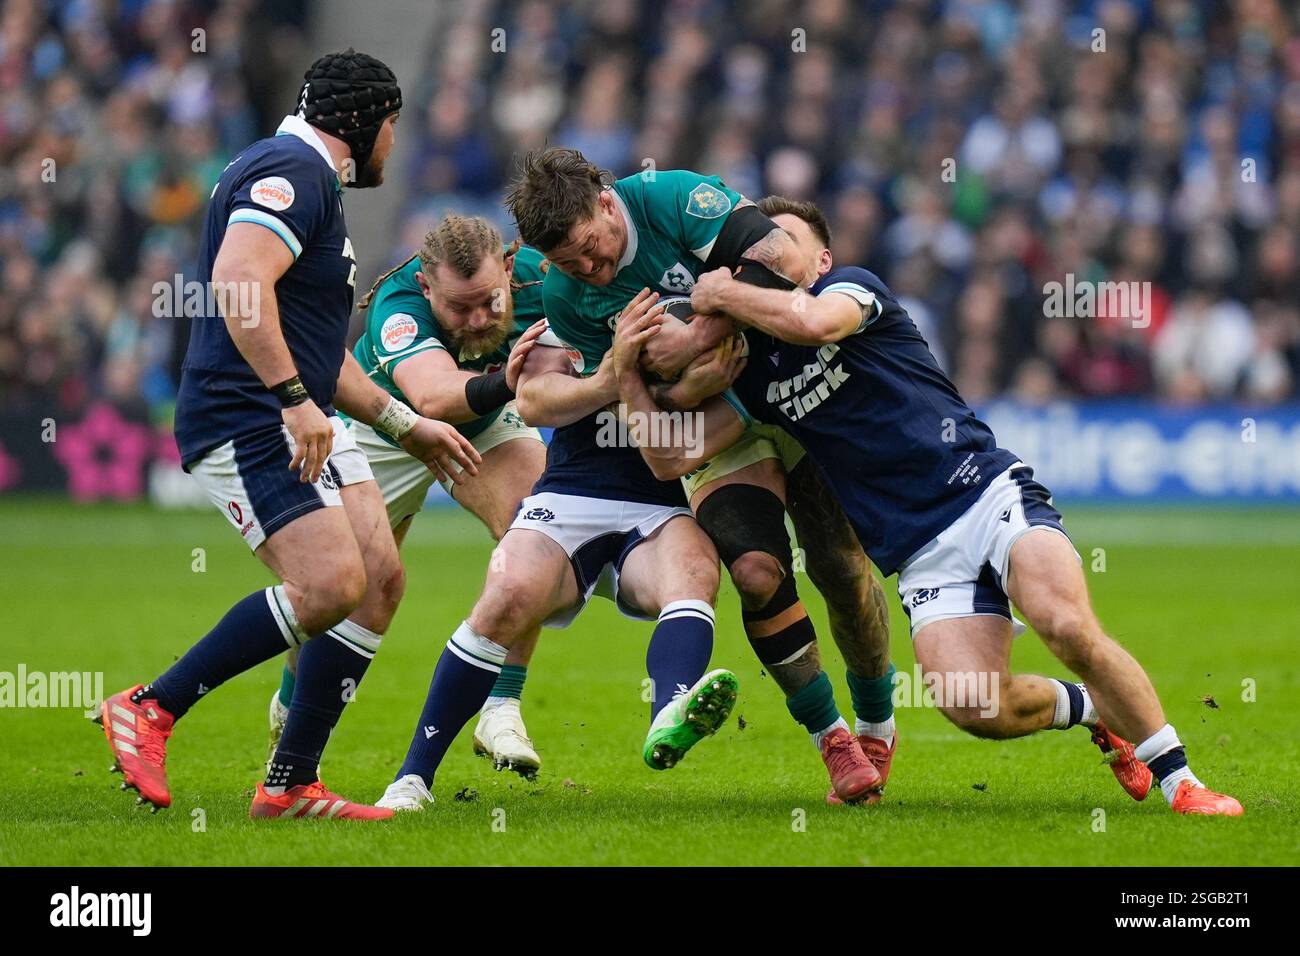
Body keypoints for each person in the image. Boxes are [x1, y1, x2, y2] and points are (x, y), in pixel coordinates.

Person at [612, 195, 1243, 817]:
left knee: (1066, 625)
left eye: (783, 242)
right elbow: (669, 459)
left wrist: (717, 295)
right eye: (756, 248)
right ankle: (1095, 709)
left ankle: (1181, 783)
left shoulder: (854, 291)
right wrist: (627, 372)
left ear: (823, 256)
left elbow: (815, 325)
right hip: (920, 555)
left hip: (985, 493)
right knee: (974, 706)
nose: (765, 255)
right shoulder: (752, 373)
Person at [96, 50, 479, 821]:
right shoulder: (292, 171)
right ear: (363, 121)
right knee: (332, 585)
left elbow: (315, 348)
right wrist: (293, 399)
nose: (395, 143)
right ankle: (151, 706)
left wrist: (406, 424)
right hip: (248, 413)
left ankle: (290, 784)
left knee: (379, 579)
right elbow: (239, 284)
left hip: (296, 407)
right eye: (393, 125)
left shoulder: (306, 180)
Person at [499, 147, 896, 804]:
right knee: (756, 574)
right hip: (717, 423)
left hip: (791, 387)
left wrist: (698, 332)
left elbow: (788, 262)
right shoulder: (569, 297)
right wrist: (670, 387)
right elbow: (638, 409)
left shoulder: (673, 197)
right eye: (571, 265)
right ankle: (833, 740)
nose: (590, 271)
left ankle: (878, 720)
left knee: (841, 570)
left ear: (605, 202)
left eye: (592, 251)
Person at [266, 214, 548, 776]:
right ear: (425, 286)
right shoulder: (399, 304)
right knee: (349, 589)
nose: (475, 320)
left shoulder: (543, 279)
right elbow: (435, 396)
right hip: (388, 428)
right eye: (456, 308)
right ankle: (291, 705)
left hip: (485, 421)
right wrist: (514, 382)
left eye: (488, 302)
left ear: (510, 270)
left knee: (537, 527)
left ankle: (501, 703)